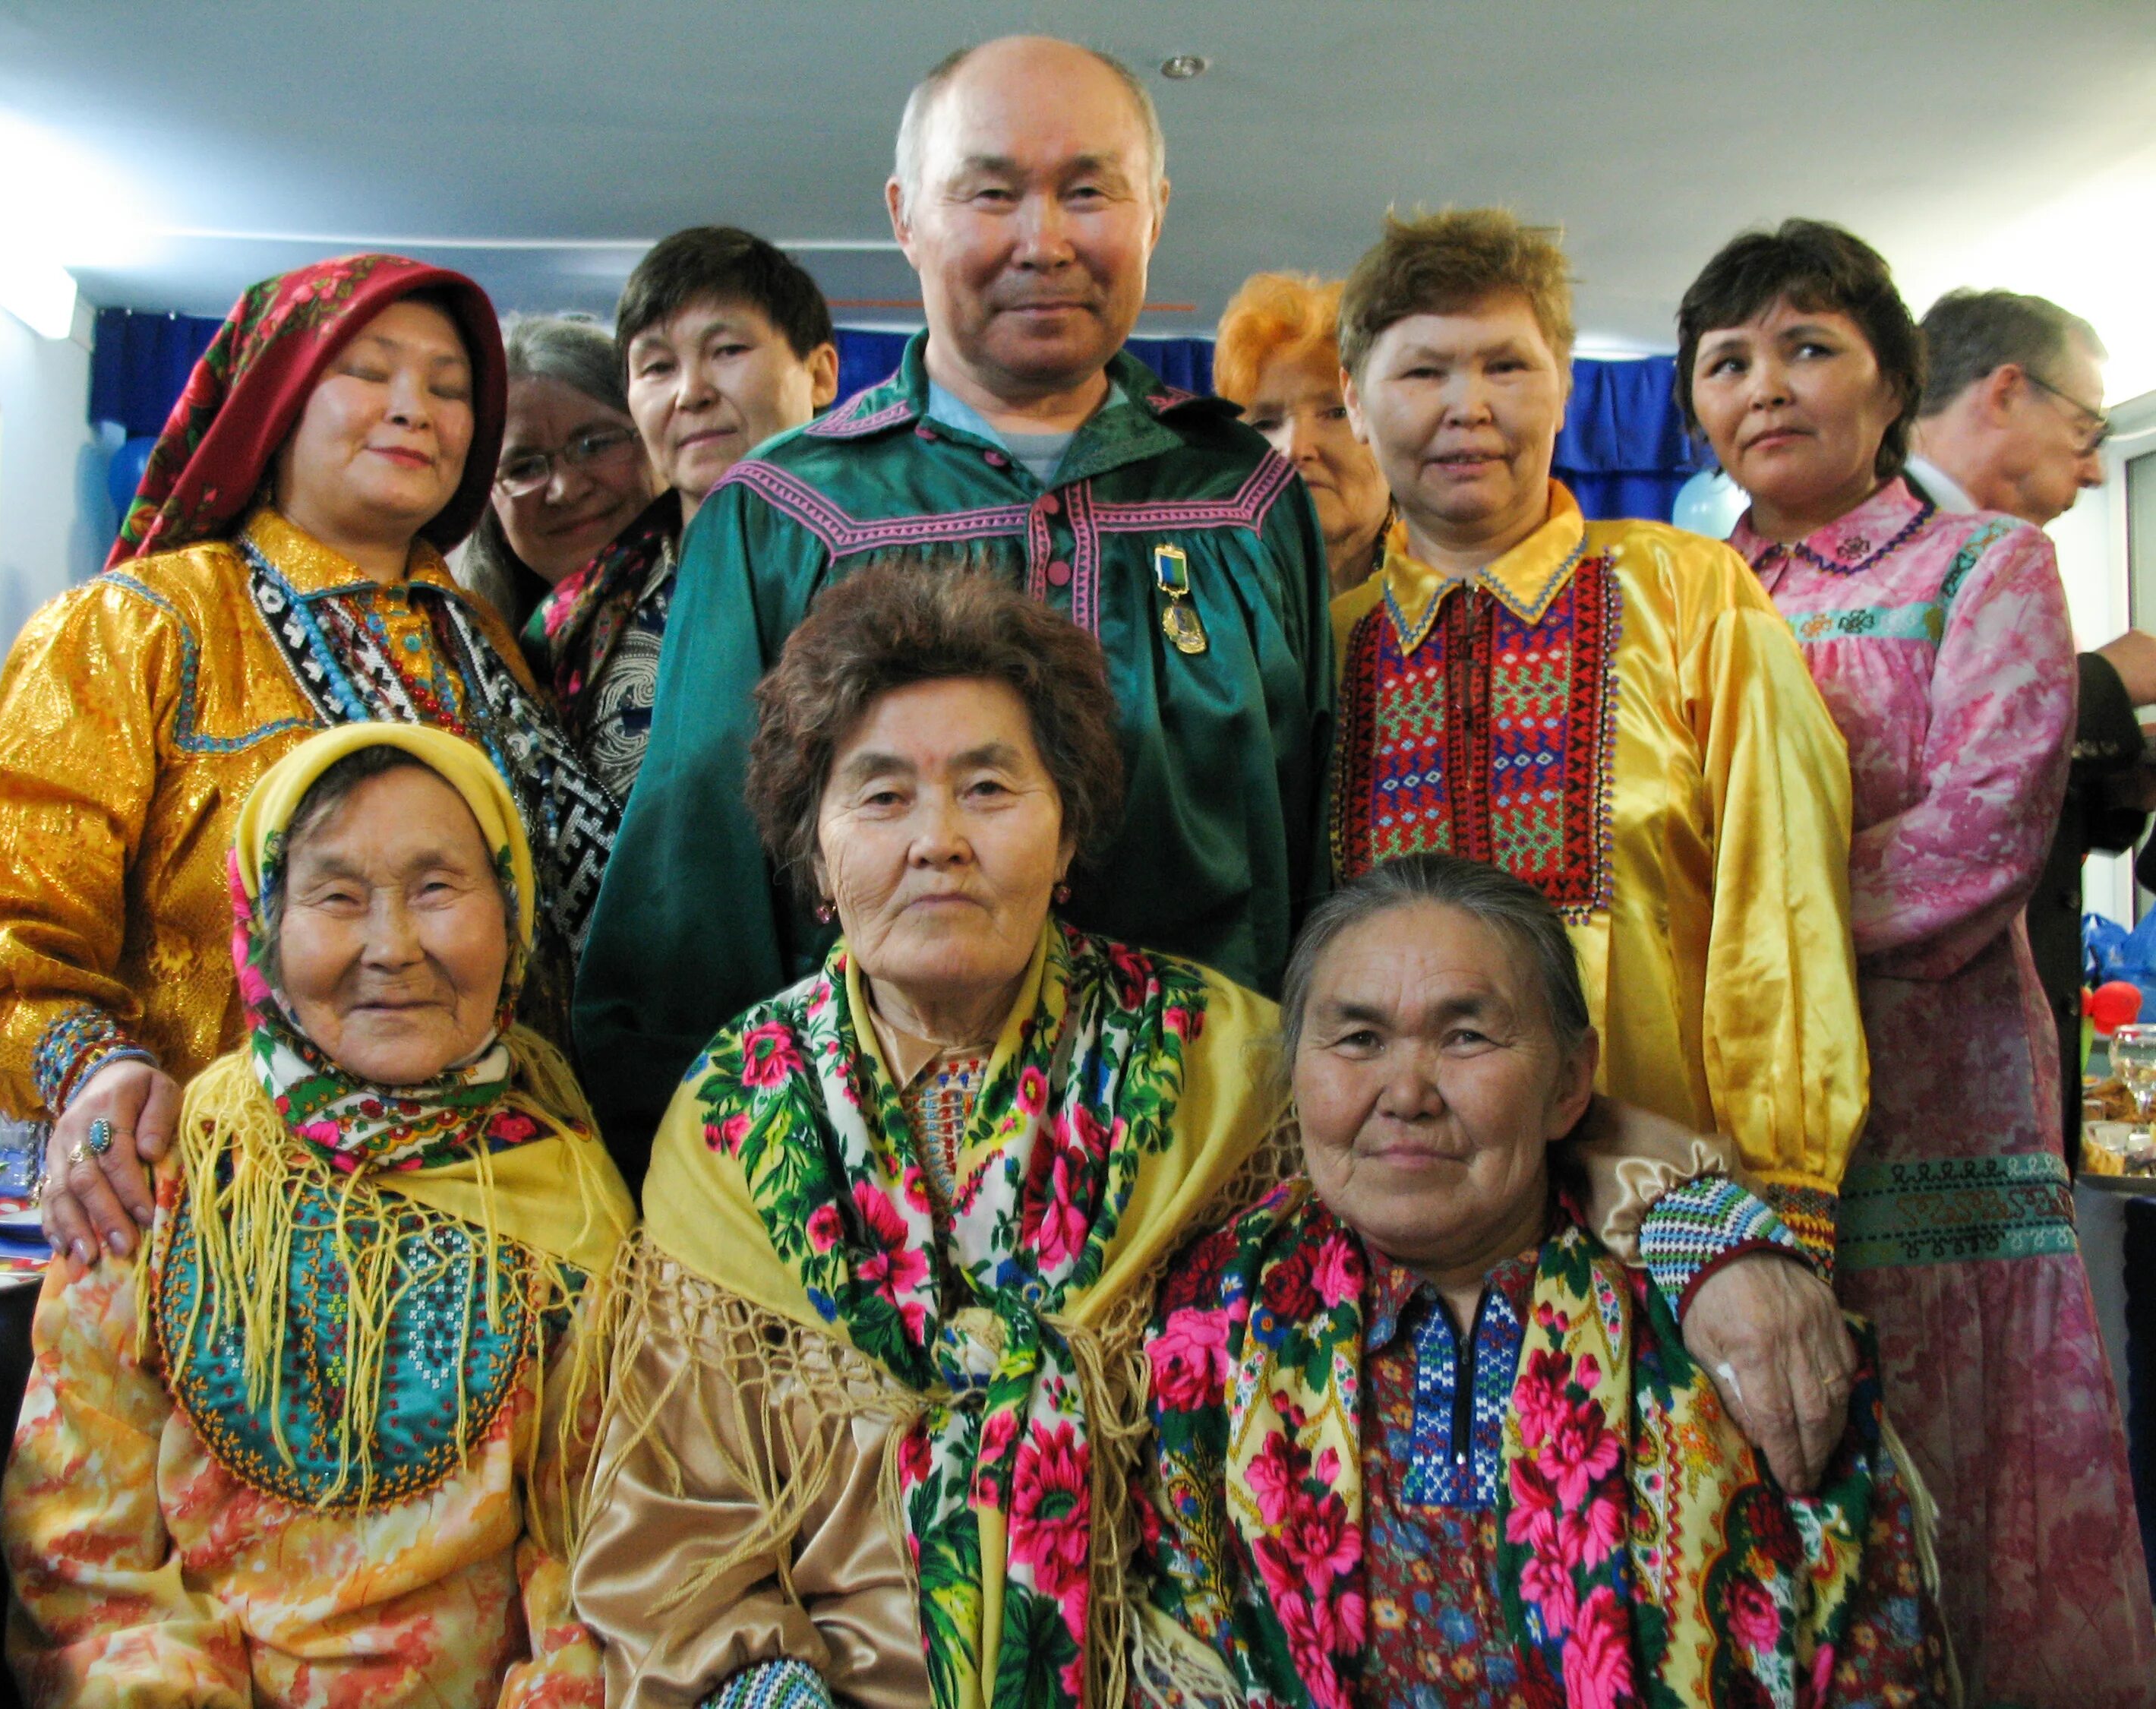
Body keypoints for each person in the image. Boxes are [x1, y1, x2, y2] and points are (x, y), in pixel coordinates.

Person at [573, 566, 1858, 1708]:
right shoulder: (736, 1111)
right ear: (811, 849)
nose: (938, 842)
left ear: (1070, 832)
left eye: (988, 788)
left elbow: (1469, 1124)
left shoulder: (1209, 1056)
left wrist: (1705, 1229)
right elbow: (673, 1520)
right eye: (880, 795)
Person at [572, 36, 1332, 1146]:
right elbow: (695, 898)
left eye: (1089, 191)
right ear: (906, 216)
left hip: (1212, 1164)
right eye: (992, 193)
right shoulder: (783, 514)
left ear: (1155, 211)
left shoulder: (1248, 500)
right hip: (870, 1189)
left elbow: (1315, 853)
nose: (1047, 240)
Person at [0, 254, 620, 1274]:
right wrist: (91, 1071)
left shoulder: (485, 646)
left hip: (505, 1225)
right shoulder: (138, 626)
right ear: (274, 403)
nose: (416, 408)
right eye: (368, 371)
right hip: (219, 1230)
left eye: (450, 389)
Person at [1678, 216, 2156, 1703]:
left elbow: (1978, 850)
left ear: (1892, 384)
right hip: (1735, 1136)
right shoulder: (1687, 598)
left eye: (1810, 347)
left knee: (1974, 1513)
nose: (1768, 384)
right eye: (1728, 360)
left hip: (1938, 1122)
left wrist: (1735, 942)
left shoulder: (1987, 564)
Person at [1133, 854, 1951, 1707]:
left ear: (1569, 1083)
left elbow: (1874, 1661)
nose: (1406, 1092)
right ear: (1296, 1071)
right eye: (1358, 1039)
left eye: (1465, 1036)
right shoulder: (1212, 1319)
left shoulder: (1730, 1331)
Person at [0, 724, 635, 1704]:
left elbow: (599, 1580)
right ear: (261, 923)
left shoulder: (572, 1196)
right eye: (338, 896)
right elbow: (84, 1565)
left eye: (437, 889)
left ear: (510, 914)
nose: (392, 946)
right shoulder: (168, 1179)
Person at [1326, 208, 1867, 1271]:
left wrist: (1783, 1202)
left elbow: (1785, 902)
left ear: (1565, 381)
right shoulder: (1328, 644)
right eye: (1423, 371)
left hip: (1670, 1228)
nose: (1468, 408)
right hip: (1387, 1233)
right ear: (1353, 400)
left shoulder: (1691, 593)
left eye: (1506, 366)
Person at [1911, 288, 2148, 1166]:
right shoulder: (1860, 541)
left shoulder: (2006, 557)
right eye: (2089, 433)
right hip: (1916, 1054)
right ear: (2007, 391)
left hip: (2025, 1032)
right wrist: (2105, 685)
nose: (2093, 473)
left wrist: (2121, 780)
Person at [525, 227, 839, 805]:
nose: (690, 393)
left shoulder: (889, 561)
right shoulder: (569, 626)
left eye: (727, 352)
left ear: (819, 374)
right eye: (657, 368)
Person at [459, 311, 655, 633]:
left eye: (596, 445)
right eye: (523, 469)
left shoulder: (740, 606)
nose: (566, 490)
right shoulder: (474, 662)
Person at [1213, 271, 1391, 599]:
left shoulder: (1458, 590)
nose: (1296, 447)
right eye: (1265, 423)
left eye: (1336, 413)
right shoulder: (1211, 599)